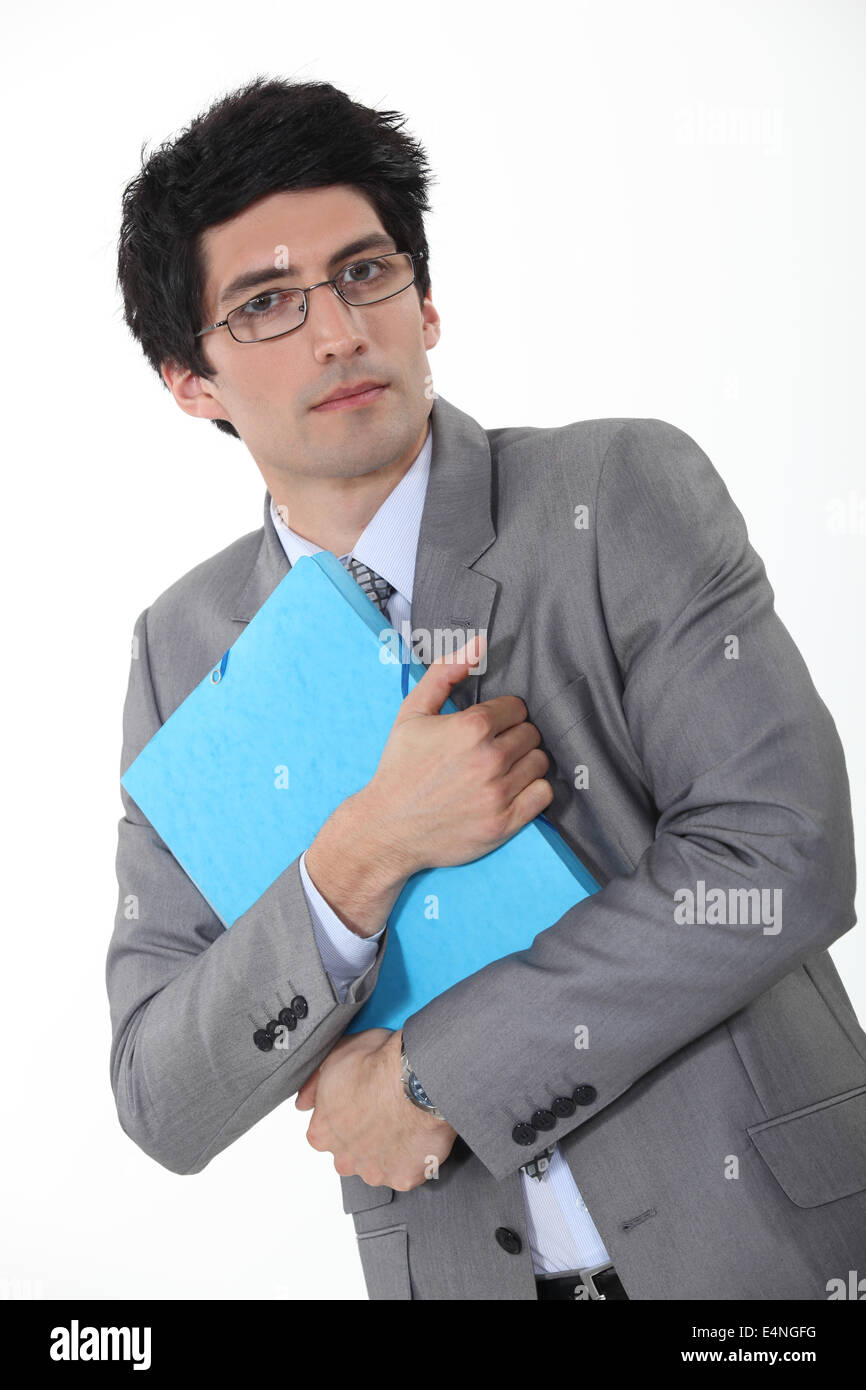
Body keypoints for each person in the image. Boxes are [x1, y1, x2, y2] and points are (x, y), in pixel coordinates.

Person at [108, 75, 866, 1301]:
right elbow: (161, 1090)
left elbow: (780, 853)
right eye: (265, 304)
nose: (337, 330)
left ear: (425, 298)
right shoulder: (181, 651)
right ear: (186, 378)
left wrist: (424, 1074)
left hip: (769, 1259)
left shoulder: (616, 492)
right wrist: (357, 854)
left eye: (365, 273)